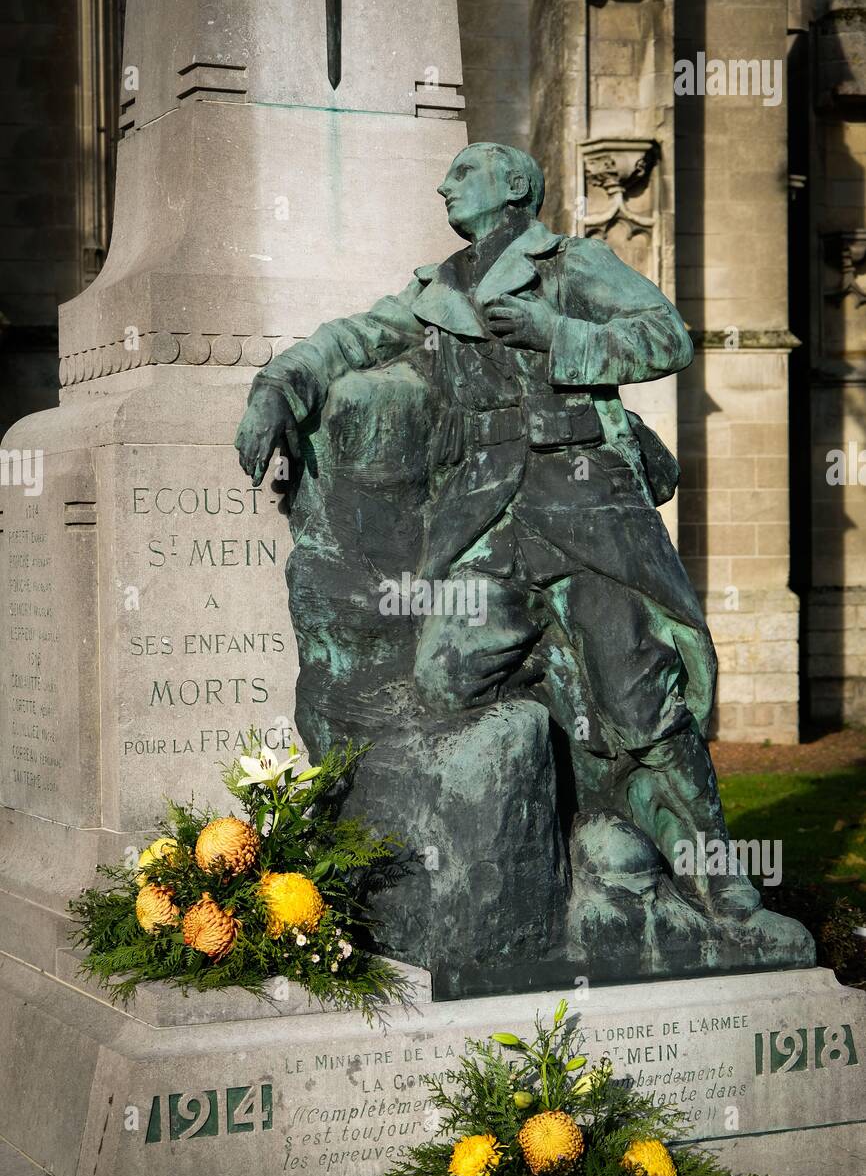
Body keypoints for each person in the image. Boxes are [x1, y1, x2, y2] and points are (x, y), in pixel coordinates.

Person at [235, 142, 761, 921]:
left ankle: (716, 877)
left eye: (465, 172)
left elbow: (667, 336)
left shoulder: (570, 263)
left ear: (515, 185)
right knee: (447, 678)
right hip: (484, 521)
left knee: (638, 692)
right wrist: (276, 386)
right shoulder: (435, 290)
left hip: (581, 506)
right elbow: (349, 340)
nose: (444, 184)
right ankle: (571, 780)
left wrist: (559, 332)